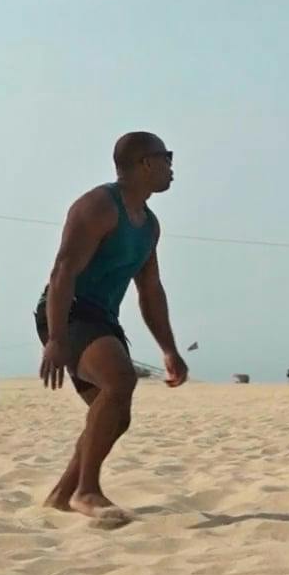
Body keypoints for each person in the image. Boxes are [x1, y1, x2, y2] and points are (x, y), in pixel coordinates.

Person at [37, 131, 189, 523]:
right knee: (120, 381)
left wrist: (169, 348)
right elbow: (62, 273)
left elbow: (150, 290)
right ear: (145, 163)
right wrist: (55, 338)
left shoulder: (149, 225)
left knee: (112, 416)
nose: (172, 166)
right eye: (166, 157)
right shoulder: (98, 206)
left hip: (102, 318)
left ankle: (61, 494)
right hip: (68, 312)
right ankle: (87, 492)